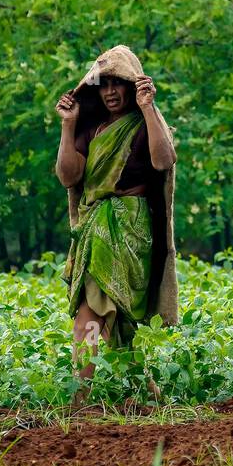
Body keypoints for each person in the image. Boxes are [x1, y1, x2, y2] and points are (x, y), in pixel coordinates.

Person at [54, 45, 178, 404]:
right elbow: (68, 176)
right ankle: (147, 393)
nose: (109, 91)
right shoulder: (92, 131)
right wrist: (68, 124)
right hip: (95, 228)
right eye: (103, 83)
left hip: (128, 228)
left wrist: (148, 107)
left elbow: (164, 159)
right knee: (112, 321)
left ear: (132, 85)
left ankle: (79, 400)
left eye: (117, 83)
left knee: (90, 314)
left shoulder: (142, 125)